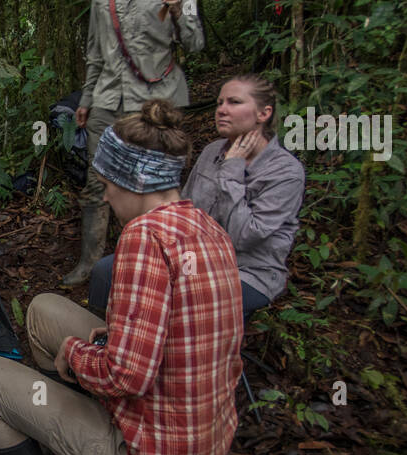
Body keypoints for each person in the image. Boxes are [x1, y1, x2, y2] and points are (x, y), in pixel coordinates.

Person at [0, 101, 243, 455]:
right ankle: (68, 441)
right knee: (42, 310)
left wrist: (76, 354)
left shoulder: (143, 237)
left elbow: (128, 375)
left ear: (134, 181)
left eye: (109, 184)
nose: (106, 195)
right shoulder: (204, 225)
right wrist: (99, 345)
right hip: (201, 437)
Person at [87, 74, 306, 319]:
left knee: (171, 294)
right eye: (220, 102)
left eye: (234, 102)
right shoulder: (213, 151)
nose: (221, 110)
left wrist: (233, 169)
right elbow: (186, 208)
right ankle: (107, 335)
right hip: (191, 256)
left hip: (245, 271)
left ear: (263, 113)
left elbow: (245, 235)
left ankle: (166, 349)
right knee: (108, 270)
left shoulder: (285, 172)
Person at [64, 0, 205, 286]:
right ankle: (91, 265)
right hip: (108, 100)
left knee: (154, 184)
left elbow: (196, 42)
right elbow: (96, 53)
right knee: (97, 182)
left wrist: (178, 12)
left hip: (156, 104)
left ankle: (158, 262)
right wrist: (86, 98)